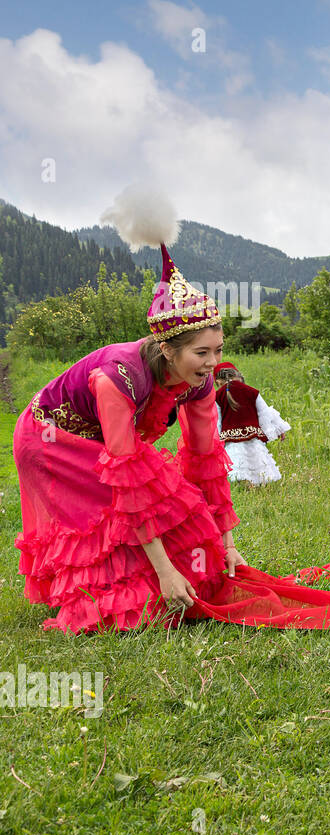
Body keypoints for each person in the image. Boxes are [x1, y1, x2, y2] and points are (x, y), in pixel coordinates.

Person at [13, 245, 244, 633]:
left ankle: (155, 585)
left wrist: (227, 544)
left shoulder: (199, 382)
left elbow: (206, 463)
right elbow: (128, 480)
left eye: (218, 350)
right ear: (167, 350)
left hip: (104, 440)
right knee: (114, 509)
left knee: (167, 496)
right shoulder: (117, 376)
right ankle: (98, 604)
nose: (211, 363)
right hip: (49, 439)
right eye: (201, 352)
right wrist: (166, 571)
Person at [215, 361, 291, 486]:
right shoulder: (251, 391)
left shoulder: (218, 395)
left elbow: (217, 420)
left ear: (218, 382)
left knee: (238, 465)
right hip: (253, 436)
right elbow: (264, 412)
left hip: (231, 441)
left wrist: (217, 443)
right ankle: (256, 487)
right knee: (256, 463)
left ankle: (245, 487)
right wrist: (276, 430)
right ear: (238, 376)